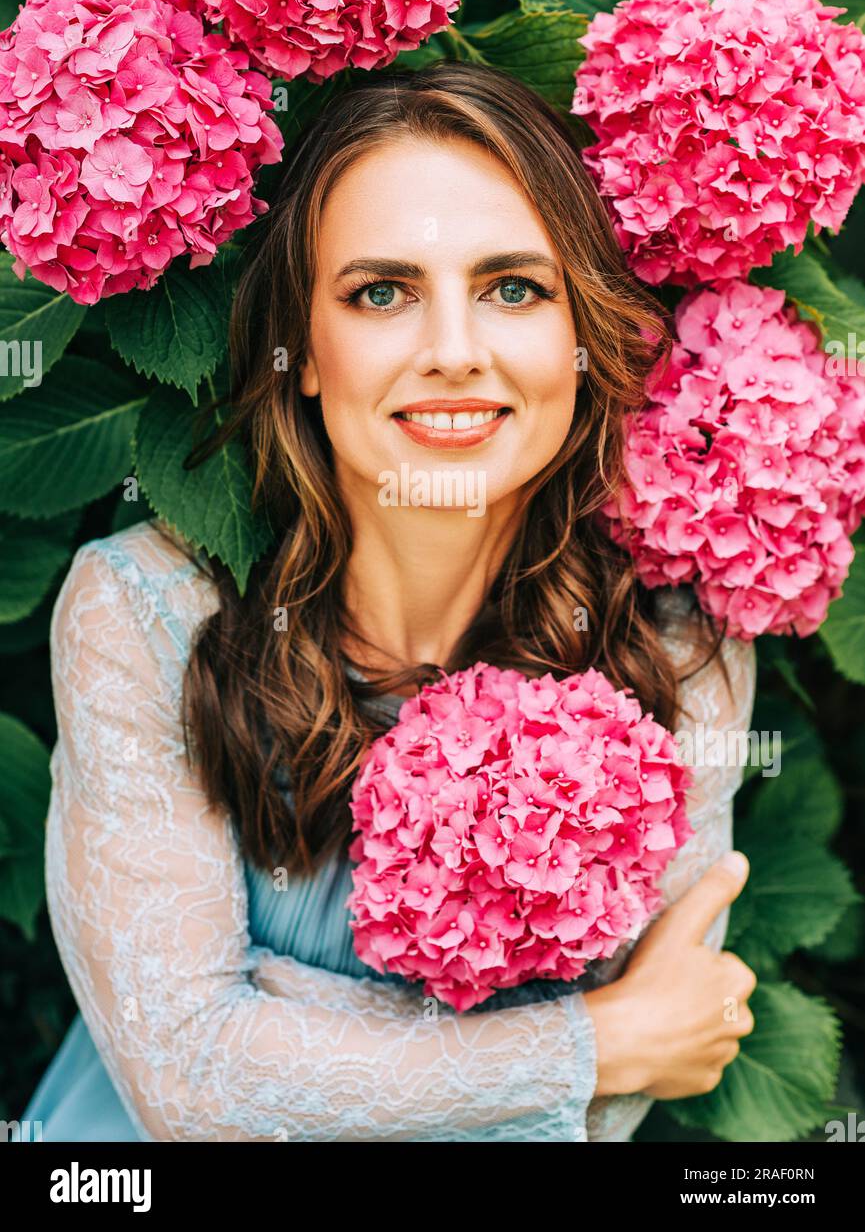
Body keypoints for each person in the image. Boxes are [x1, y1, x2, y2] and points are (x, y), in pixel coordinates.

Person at [15, 61, 757, 1142]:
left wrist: (277, 1022)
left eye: (514, 288)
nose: (453, 353)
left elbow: (618, 1104)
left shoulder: (680, 643)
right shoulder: (145, 613)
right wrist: (582, 1039)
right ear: (304, 352)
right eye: (380, 293)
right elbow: (185, 1083)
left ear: (581, 334)